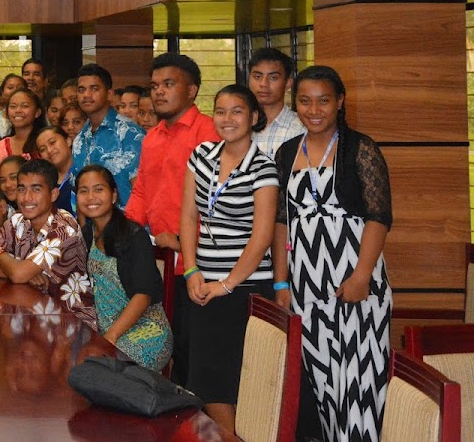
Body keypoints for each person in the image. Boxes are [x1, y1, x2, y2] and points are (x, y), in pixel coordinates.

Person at [272, 66, 392, 442]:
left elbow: (379, 218)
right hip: (306, 285)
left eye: (324, 100)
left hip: (356, 281)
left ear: (340, 102)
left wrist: (360, 277)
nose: (314, 109)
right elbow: (280, 223)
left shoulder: (361, 148)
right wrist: (281, 281)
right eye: (305, 101)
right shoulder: (287, 152)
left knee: (361, 387)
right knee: (325, 386)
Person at [180, 85, 278, 433]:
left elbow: (262, 236)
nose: (227, 118)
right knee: (205, 381)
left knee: (237, 379)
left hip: (245, 289)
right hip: (203, 284)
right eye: (220, 111)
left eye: (237, 111)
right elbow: (189, 216)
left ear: (253, 117)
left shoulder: (263, 167)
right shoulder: (201, 155)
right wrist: (191, 269)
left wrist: (227, 284)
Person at [124, 53, 218, 385]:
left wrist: (186, 244)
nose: (159, 92)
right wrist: (124, 236)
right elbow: (143, 192)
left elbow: (218, 201)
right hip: (161, 263)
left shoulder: (209, 132)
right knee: (167, 350)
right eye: (154, 86)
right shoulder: (152, 137)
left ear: (191, 90)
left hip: (200, 266)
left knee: (197, 360)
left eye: (168, 84)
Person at [76, 164, 170, 372]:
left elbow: (143, 296)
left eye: (98, 189)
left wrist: (110, 338)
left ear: (113, 195)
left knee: (105, 371)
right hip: (104, 330)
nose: (91, 196)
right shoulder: (87, 233)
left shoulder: (134, 235)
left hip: (146, 329)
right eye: (84, 191)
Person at [0, 159, 91, 309]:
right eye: (21, 189)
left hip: (70, 321)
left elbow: (18, 275)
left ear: (53, 194)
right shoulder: (18, 221)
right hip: (33, 312)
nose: (26, 197)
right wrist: (19, 272)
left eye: (36, 189)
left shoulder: (63, 229)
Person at [70, 64, 145, 207]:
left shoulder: (130, 134)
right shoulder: (80, 139)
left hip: (130, 225)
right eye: (81, 90)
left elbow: (141, 191)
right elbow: (78, 191)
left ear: (109, 94)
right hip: (94, 227)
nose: (86, 95)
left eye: (94, 89)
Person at [248, 47, 305, 156]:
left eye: (273, 78)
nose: (263, 84)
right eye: (257, 76)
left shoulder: (301, 128)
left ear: (288, 83)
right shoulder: (239, 125)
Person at [0, 89, 43, 168]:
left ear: (37, 112)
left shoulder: (45, 141)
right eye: (13, 106)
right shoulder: (2, 147)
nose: (18, 110)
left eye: (25, 106)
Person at [35, 126, 76, 224]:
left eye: (52, 142)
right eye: (42, 149)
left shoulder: (84, 171)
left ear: (68, 141)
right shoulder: (45, 183)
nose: (49, 150)